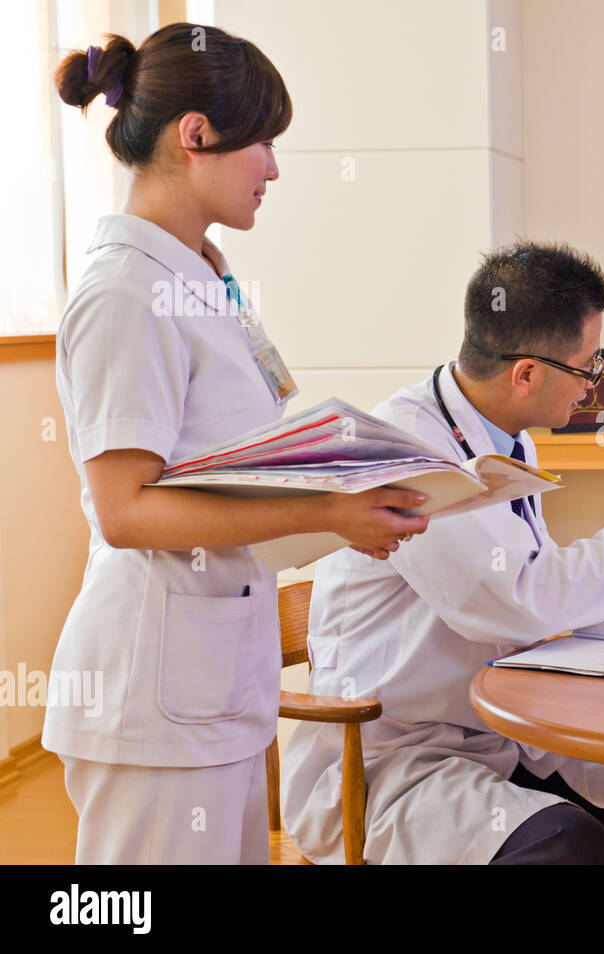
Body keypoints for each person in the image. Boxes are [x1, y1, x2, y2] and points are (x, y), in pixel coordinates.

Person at [45, 24, 430, 865]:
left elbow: (235, 458)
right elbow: (124, 512)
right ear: (196, 134)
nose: (274, 168)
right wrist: (329, 509)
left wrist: (349, 483)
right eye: (264, 141)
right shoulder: (125, 295)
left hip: (209, 680)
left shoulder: (198, 278)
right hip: (152, 692)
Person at [281, 241, 604, 864]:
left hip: (496, 729)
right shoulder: (411, 448)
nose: (594, 386)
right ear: (527, 374)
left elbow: (526, 587)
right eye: (588, 368)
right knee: (567, 845)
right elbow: (514, 599)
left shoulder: (502, 435)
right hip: (399, 754)